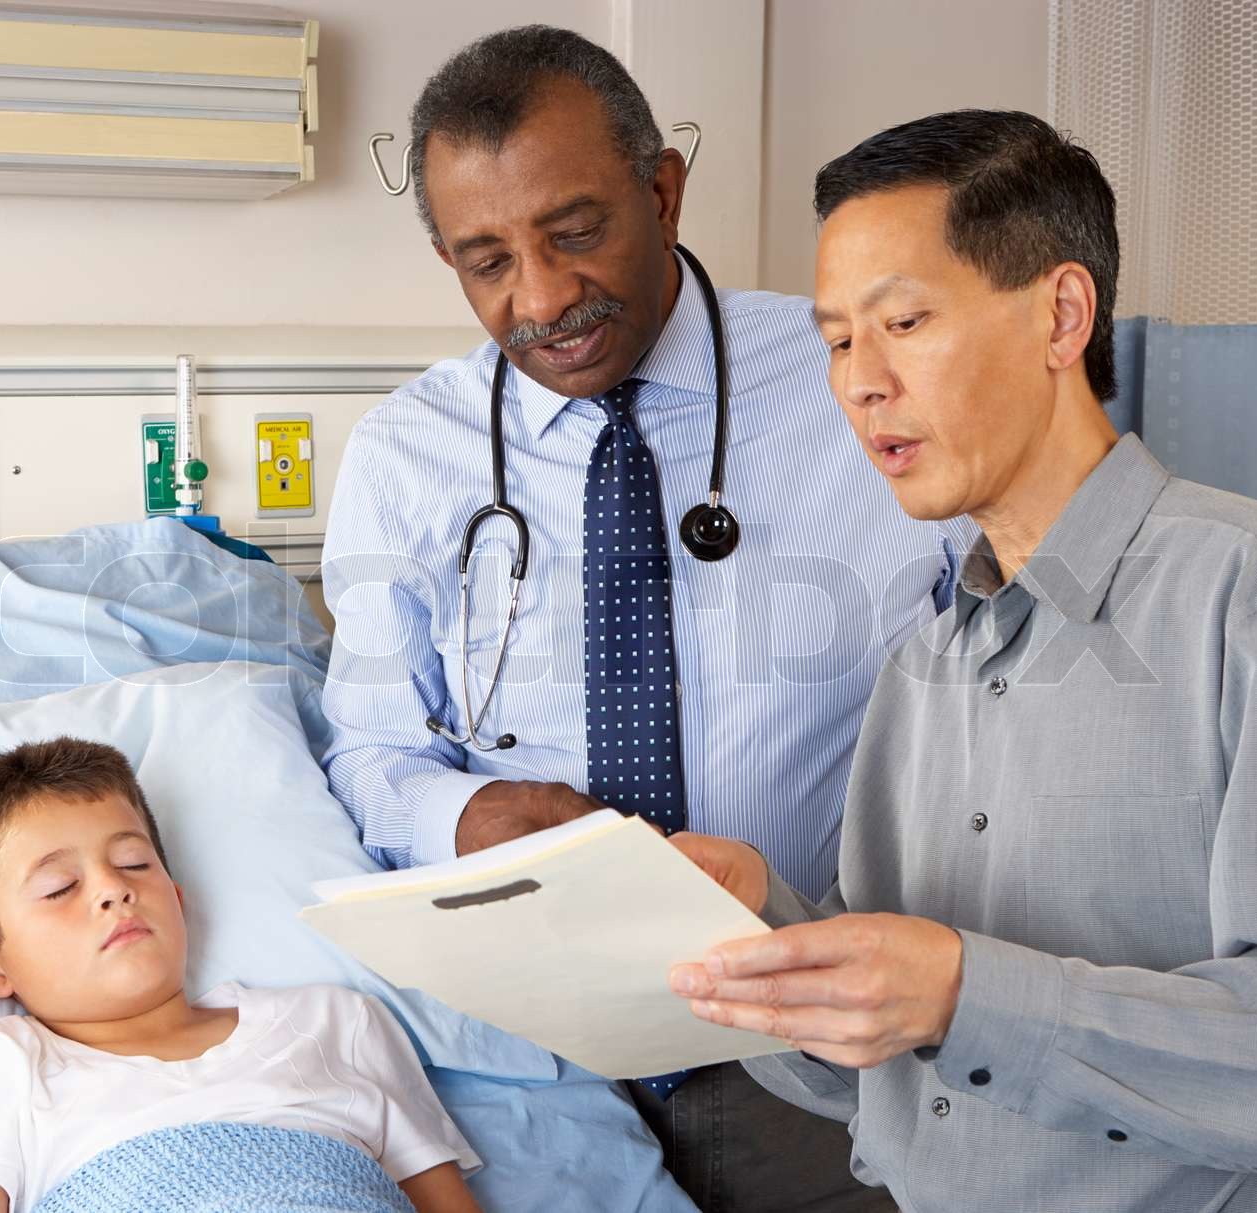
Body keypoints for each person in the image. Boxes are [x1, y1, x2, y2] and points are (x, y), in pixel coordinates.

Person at [667, 109, 1257, 1211]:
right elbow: (886, 1077)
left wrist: (969, 998)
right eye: (838, 340)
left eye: (904, 321)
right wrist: (765, 924)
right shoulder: (921, 662)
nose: (859, 382)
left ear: (1061, 315)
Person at [320, 24, 971, 1211]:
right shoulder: (403, 457)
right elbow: (367, 753)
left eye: (575, 233)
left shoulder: (856, 380)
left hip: (816, 1028)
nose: (542, 298)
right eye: (486, 261)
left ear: (663, 190)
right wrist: (465, 814)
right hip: (529, 1055)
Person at [0, 738, 480, 1213]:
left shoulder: (334, 1021)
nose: (113, 889)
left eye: (134, 863)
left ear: (178, 899)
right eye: (60, 888)